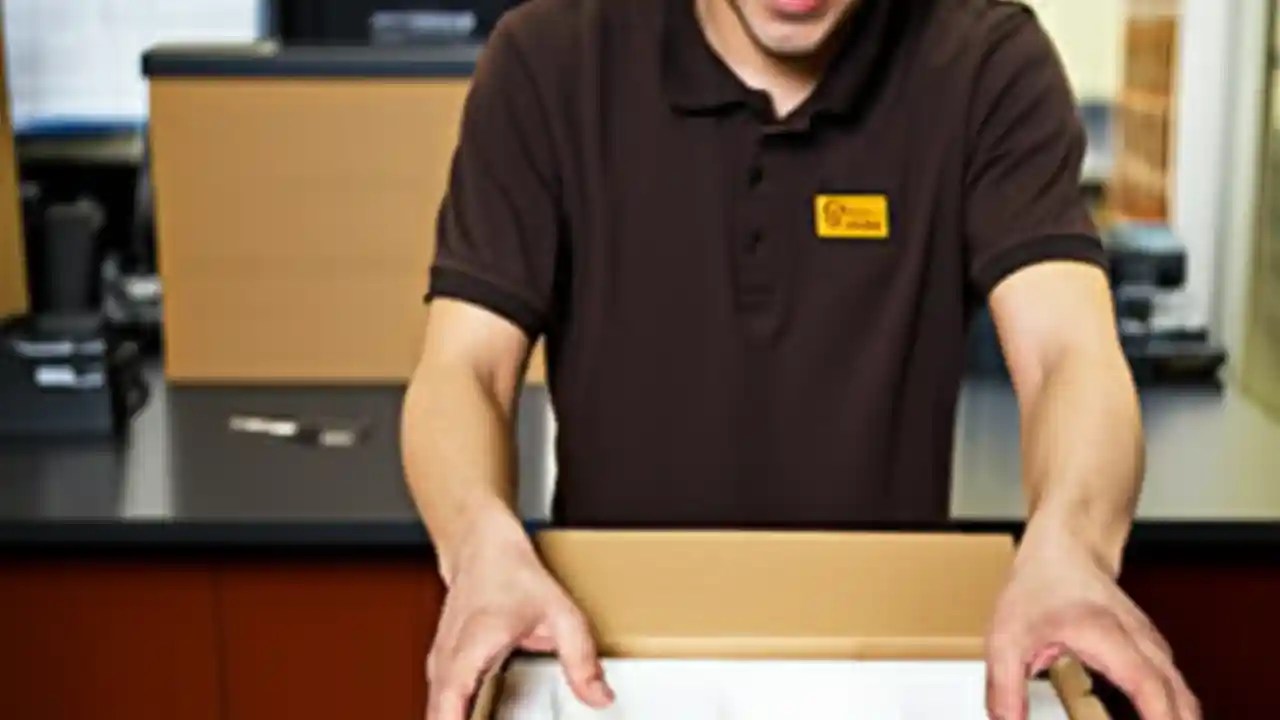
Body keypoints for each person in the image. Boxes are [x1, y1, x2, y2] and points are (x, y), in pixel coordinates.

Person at [401, 0, 1199, 718]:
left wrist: (1072, 546)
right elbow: (465, 368)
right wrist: (479, 544)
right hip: (610, 660)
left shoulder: (986, 59)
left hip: (889, 656)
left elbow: (1070, 354)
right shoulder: (549, 58)